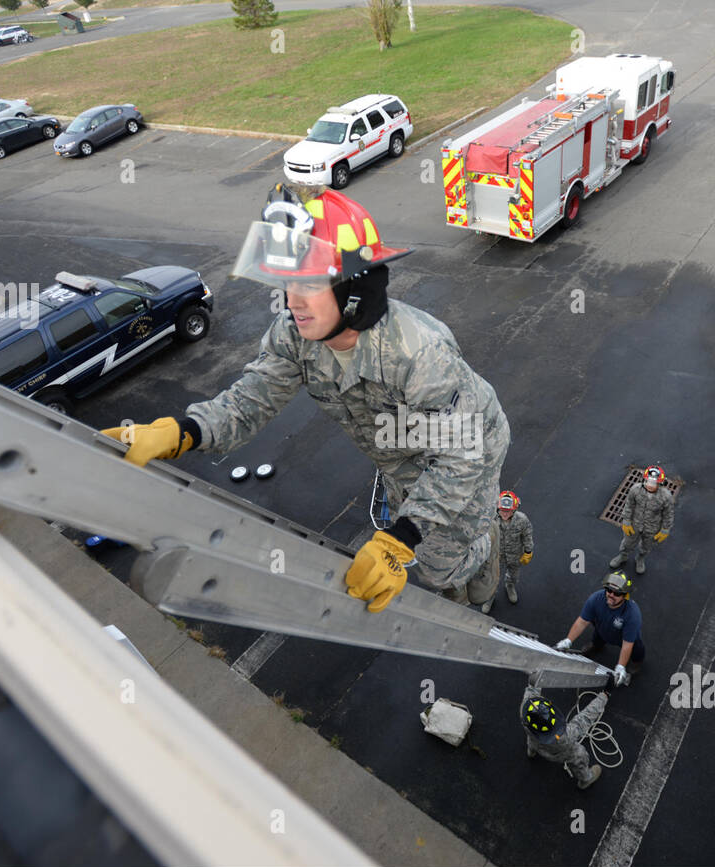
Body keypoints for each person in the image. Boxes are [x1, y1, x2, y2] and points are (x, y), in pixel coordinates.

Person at [102, 185, 508, 612]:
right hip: (401, 457)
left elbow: (462, 457)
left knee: (441, 565)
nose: (291, 301)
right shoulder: (295, 335)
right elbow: (249, 401)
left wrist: (402, 540)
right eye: (288, 283)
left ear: (355, 289)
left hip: (469, 452)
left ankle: (483, 547)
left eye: (309, 285)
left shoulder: (418, 353)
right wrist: (184, 432)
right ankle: (455, 564)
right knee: (420, 542)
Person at [555, 571, 643, 687]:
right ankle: (596, 647)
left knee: (637, 652)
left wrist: (620, 666)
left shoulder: (632, 614)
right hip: (602, 630)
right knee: (597, 640)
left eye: (616, 593)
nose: (611, 594)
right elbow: (582, 622)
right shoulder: (596, 598)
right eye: (609, 590)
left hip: (625, 638)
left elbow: (627, 645)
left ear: (624, 595)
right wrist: (568, 640)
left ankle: (636, 663)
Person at [520, 683, 609, 789]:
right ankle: (586, 778)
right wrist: (605, 695)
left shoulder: (525, 710)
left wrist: (537, 675)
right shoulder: (565, 736)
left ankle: (532, 751)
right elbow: (585, 718)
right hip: (558, 754)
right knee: (578, 755)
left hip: (535, 739)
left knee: (532, 740)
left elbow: (533, 686)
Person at [612, 465, 674, 574]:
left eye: (653, 483)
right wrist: (626, 520)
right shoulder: (635, 489)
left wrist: (665, 529)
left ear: (660, 483)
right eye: (647, 481)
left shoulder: (666, 496)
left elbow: (668, 514)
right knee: (627, 542)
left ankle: (640, 559)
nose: (650, 485)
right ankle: (623, 556)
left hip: (652, 528)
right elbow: (629, 505)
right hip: (634, 524)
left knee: (646, 546)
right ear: (644, 480)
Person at [480, 490, 533, 614]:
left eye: (508, 511)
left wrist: (528, 551)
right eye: (502, 510)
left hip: (515, 555)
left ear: (514, 509)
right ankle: (490, 597)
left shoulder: (522, 520)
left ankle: (510, 586)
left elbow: (527, 536)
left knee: (513, 575)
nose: (504, 513)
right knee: (492, 577)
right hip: (495, 555)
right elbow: (481, 535)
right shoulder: (490, 518)